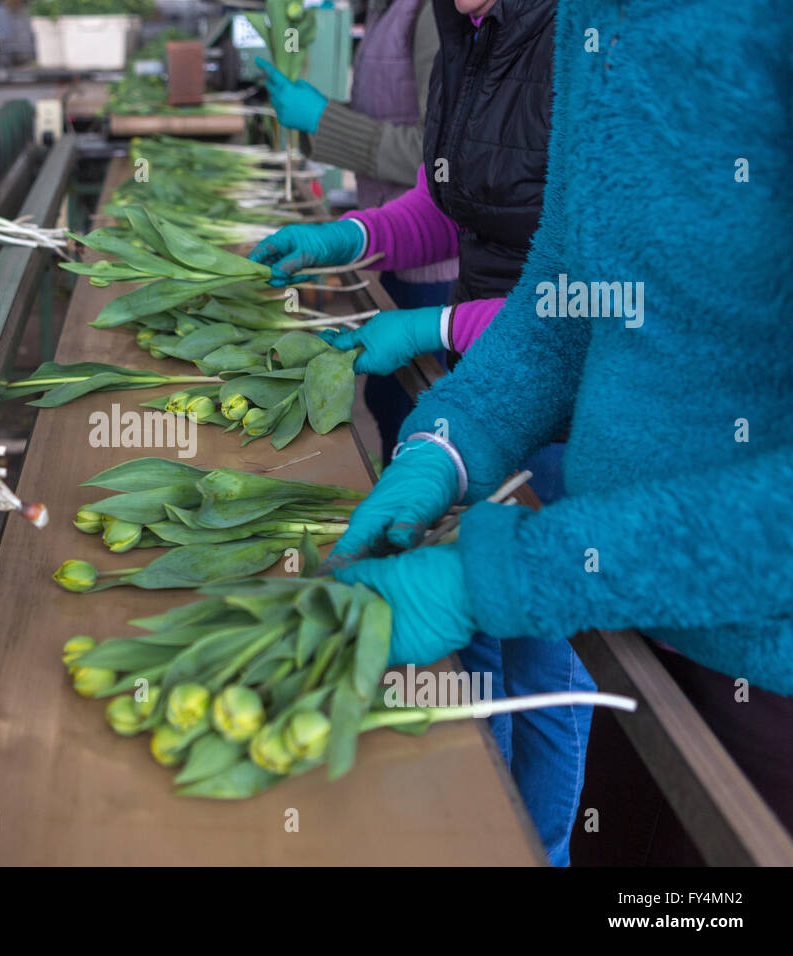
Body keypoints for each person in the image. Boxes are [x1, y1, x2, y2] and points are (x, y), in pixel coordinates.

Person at [331, 0, 793, 860]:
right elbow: (567, 293)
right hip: (632, 638)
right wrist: (452, 437)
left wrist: (511, 575)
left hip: (765, 696)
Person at [251, 0, 595, 867]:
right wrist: (354, 233)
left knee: (542, 651)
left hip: (570, 400)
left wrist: (439, 331)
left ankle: (537, 848)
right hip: (496, 382)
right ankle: (473, 822)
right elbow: (451, 205)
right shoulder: (470, 39)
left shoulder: (592, 47)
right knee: (475, 623)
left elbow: (604, 302)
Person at [256, 0, 455, 466]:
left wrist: (325, 120)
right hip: (397, 253)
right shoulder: (387, 10)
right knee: (389, 408)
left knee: (421, 423)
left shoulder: (434, 12)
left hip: (439, 281)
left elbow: (437, 157)